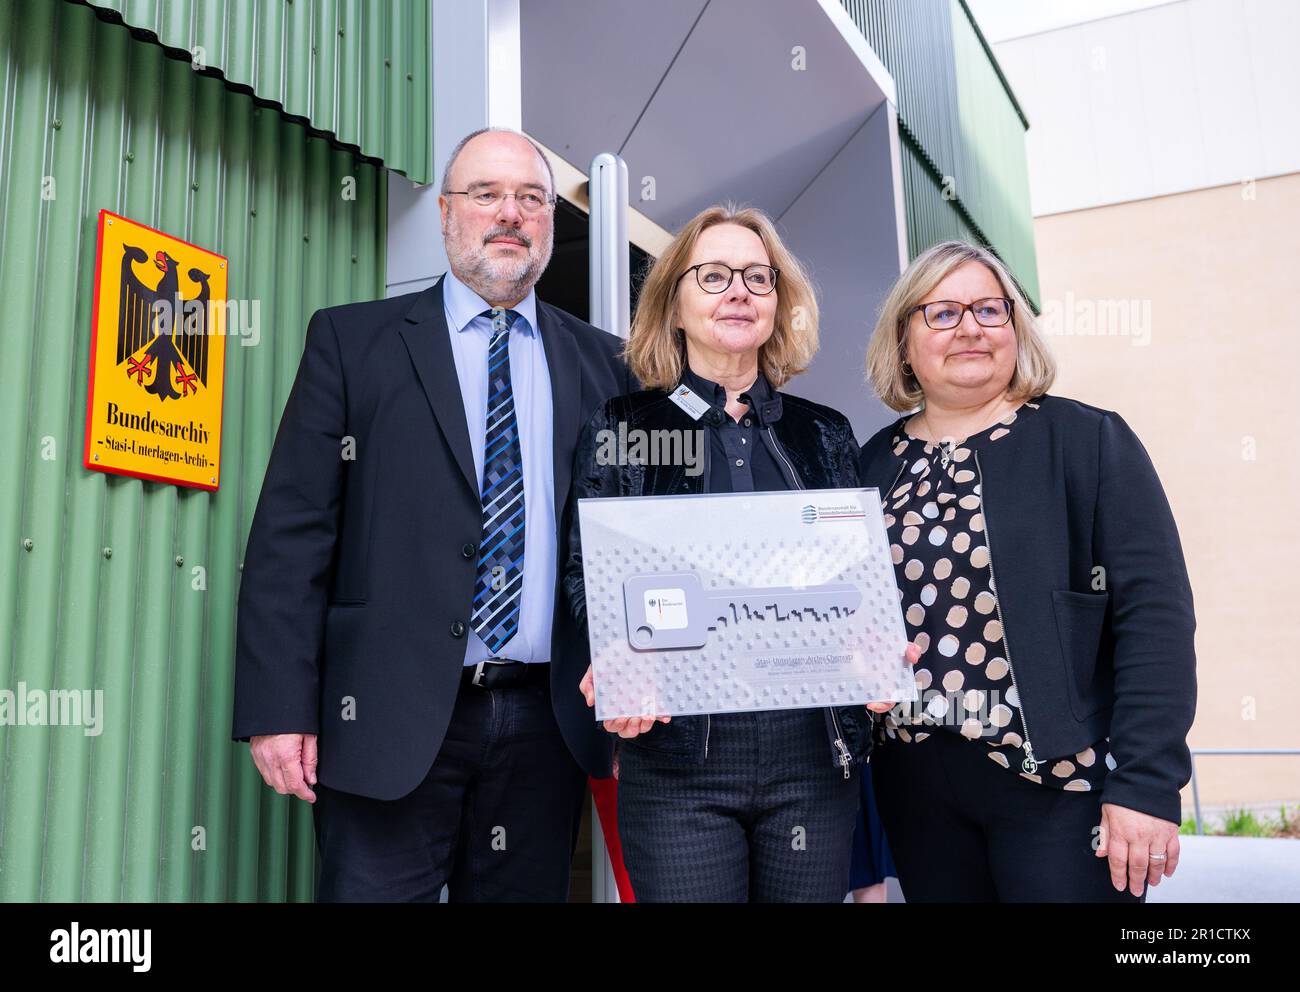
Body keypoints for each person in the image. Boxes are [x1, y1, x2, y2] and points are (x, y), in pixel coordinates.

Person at [231, 127, 634, 901]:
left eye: (531, 198)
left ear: (551, 220)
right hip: (385, 714)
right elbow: (292, 538)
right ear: (447, 213)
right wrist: (278, 709)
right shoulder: (352, 343)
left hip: (545, 725)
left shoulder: (607, 365)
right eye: (486, 195)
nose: (509, 213)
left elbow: (628, 545)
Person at [561, 203, 919, 902]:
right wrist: (619, 650)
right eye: (715, 275)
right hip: (677, 762)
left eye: (759, 278)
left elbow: (855, 582)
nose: (739, 292)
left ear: (780, 305)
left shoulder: (826, 434)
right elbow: (586, 573)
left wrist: (874, 653)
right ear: (674, 303)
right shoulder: (623, 426)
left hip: (813, 762)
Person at [859, 239, 1197, 902]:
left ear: (1016, 328)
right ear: (903, 341)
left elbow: (1155, 620)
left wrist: (1147, 783)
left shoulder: (1087, 443)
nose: (971, 329)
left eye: (990, 310)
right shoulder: (871, 466)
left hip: (1060, 788)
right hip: (918, 791)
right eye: (943, 313)